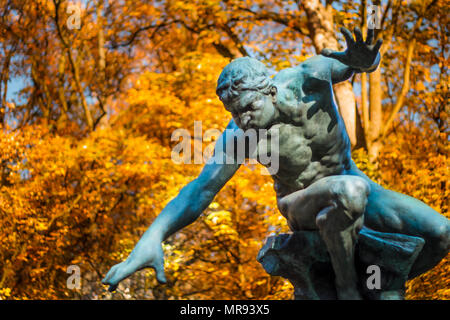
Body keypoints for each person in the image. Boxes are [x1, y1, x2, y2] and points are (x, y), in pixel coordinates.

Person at [102, 27, 450, 299]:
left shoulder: (308, 79)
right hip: (300, 204)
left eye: (248, 108)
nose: (243, 120)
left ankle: (377, 285)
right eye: (234, 113)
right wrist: (153, 236)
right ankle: (346, 289)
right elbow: (198, 192)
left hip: (356, 186)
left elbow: (351, 64)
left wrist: (363, 60)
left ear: (269, 89)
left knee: (440, 234)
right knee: (349, 190)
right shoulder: (240, 135)